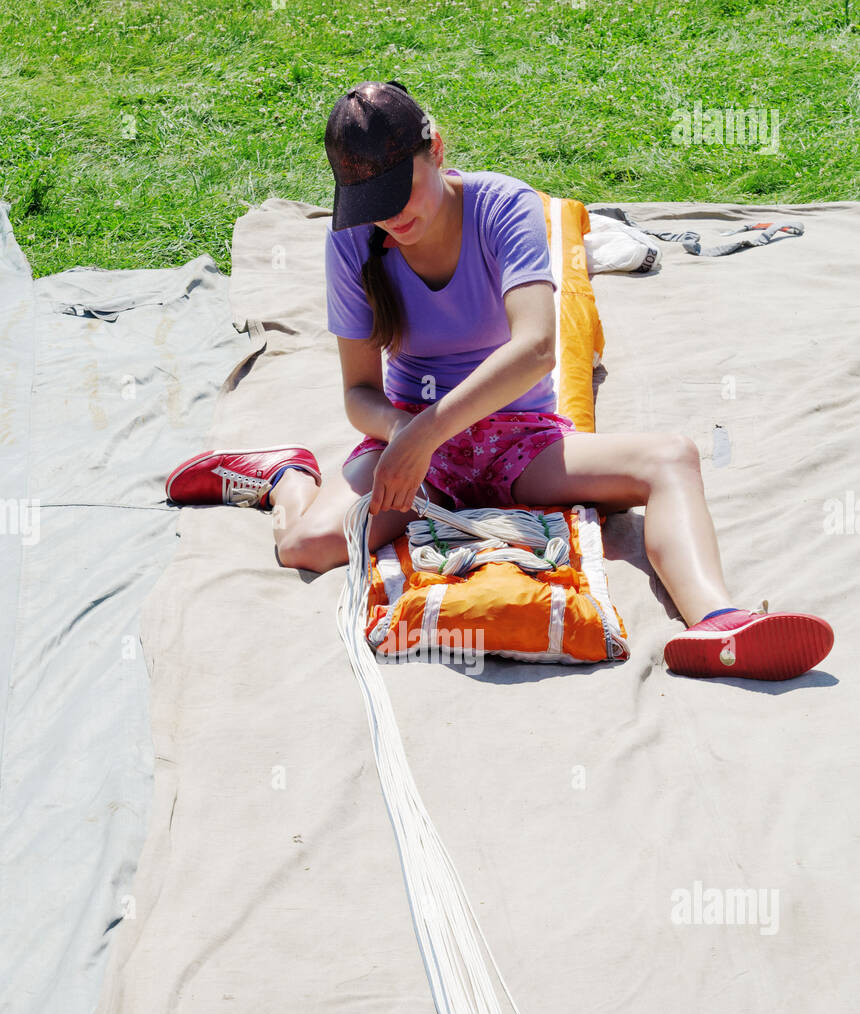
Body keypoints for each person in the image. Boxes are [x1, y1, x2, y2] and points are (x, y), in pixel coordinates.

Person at [167, 80, 833, 681]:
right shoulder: (352, 243)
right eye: (372, 204)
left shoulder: (501, 206)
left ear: (438, 149)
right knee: (305, 547)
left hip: (517, 437)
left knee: (672, 458)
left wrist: (425, 432)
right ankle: (288, 477)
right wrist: (406, 436)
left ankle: (717, 621)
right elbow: (358, 395)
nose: (391, 218)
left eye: (402, 193)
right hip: (414, 444)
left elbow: (538, 347)